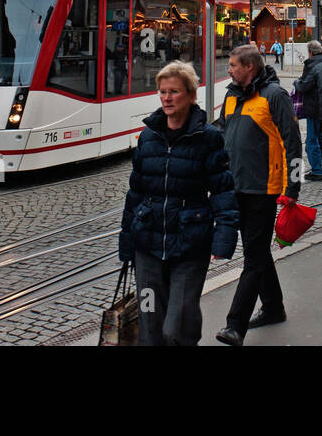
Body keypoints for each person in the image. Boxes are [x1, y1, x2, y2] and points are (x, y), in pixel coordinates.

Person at [119, 61, 238, 345]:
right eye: (162, 92)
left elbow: (223, 191)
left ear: (190, 95)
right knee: (150, 324)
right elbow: (135, 193)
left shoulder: (208, 139)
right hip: (147, 244)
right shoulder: (148, 137)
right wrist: (127, 242)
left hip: (189, 243)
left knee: (177, 325)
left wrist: (223, 239)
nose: (167, 98)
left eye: (174, 91)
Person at [213, 44, 302, 346]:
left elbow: (294, 143)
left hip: (264, 190)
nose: (229, 69)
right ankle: (274, 308)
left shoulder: (275, 96)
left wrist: (293, 188)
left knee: (252, 257)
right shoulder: (231, 95)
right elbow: (222, 133)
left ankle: (234, 326)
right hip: (235, 186)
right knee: (259, 252)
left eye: (234, 65)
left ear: (249, 67)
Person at [294, 40, 322, 181]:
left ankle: (317, 171)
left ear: (310, 52)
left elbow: (304, 86)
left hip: (315, 109)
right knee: (321, 137)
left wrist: (296, 82)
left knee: (312, 141)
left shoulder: (312, 66)